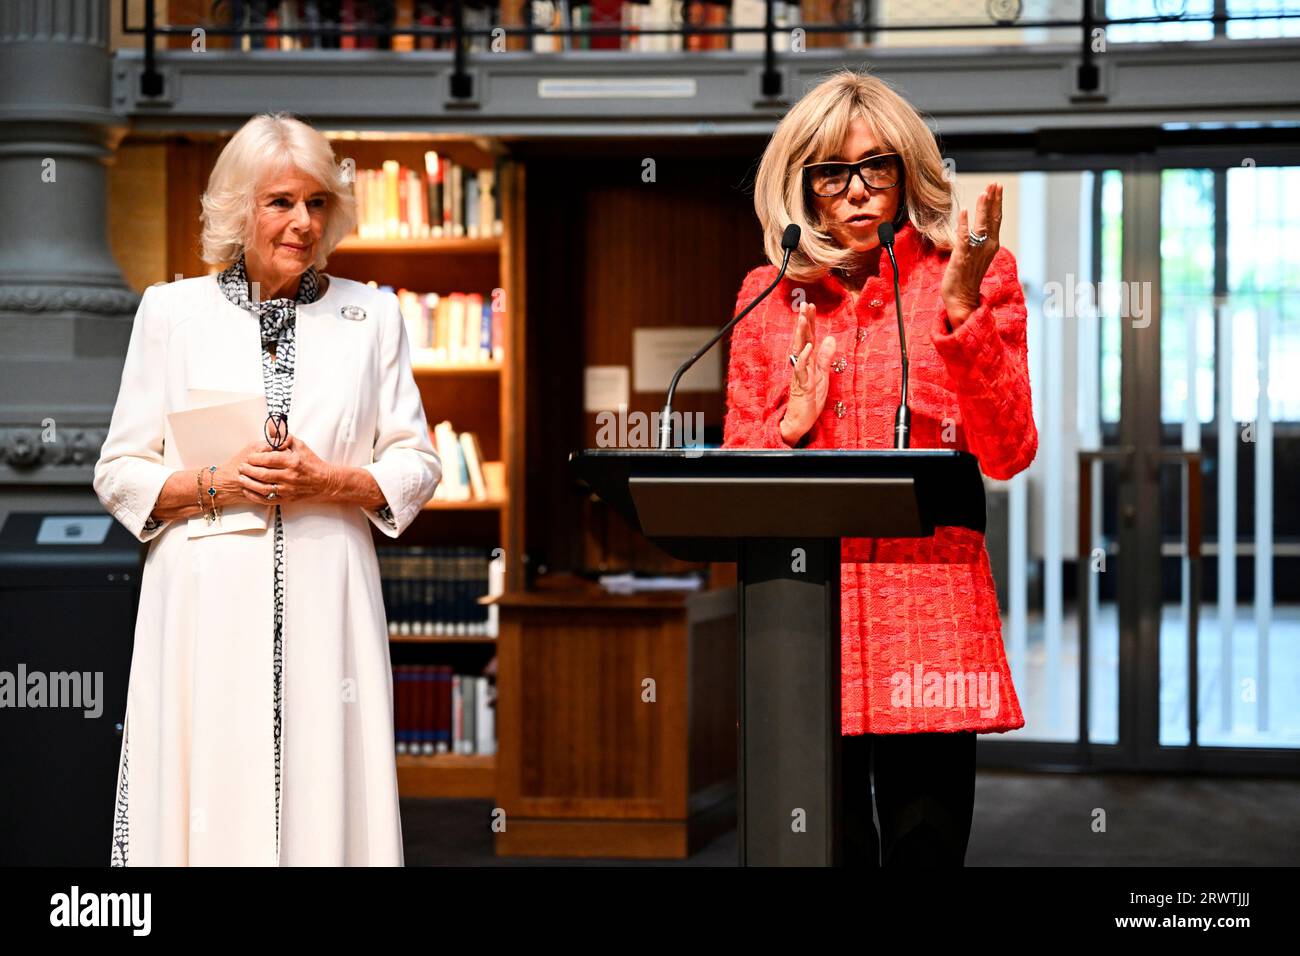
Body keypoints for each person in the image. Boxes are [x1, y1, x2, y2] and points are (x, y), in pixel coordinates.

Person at [92, 112, 441, 866]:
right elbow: (118, 471)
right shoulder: (170, 312)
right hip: (203, 596)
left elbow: (418, 462)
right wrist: (212, 482)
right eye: (280, 202)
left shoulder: (373, 314)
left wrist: (336, 480)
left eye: (317, 203)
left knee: (325, 778)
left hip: (329, 588)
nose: (302, 222)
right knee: (210, 783)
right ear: (236, 209)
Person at [722, 69, 1037, 866]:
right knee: (819, 848)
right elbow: (733, 475)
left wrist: (963, 315)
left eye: (877, 167)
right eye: (832, 172)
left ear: (907, 172)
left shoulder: (969, 277)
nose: (857, 190)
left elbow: (1008, 449)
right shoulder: (767, 296)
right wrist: (789, 427)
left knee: (924, 849)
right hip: (804, 618)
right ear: (803, 187)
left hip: (928, 617)